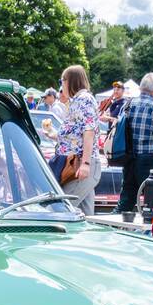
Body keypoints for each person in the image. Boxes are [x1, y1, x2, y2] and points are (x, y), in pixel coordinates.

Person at [118, 72, 153, 214]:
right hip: (149, 162)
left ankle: (110, 226)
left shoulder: (127, 105)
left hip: (128, 159)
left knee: (125, 203)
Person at [53, 64, 101, 214]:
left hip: (80, 165)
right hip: (79, 165)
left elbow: (89, 131)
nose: (61, 86)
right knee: (85, 215)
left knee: (61, 209)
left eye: (62, 81)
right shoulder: (79, 100)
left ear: (70, 81)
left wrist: (85, 164)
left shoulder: (84, 99)